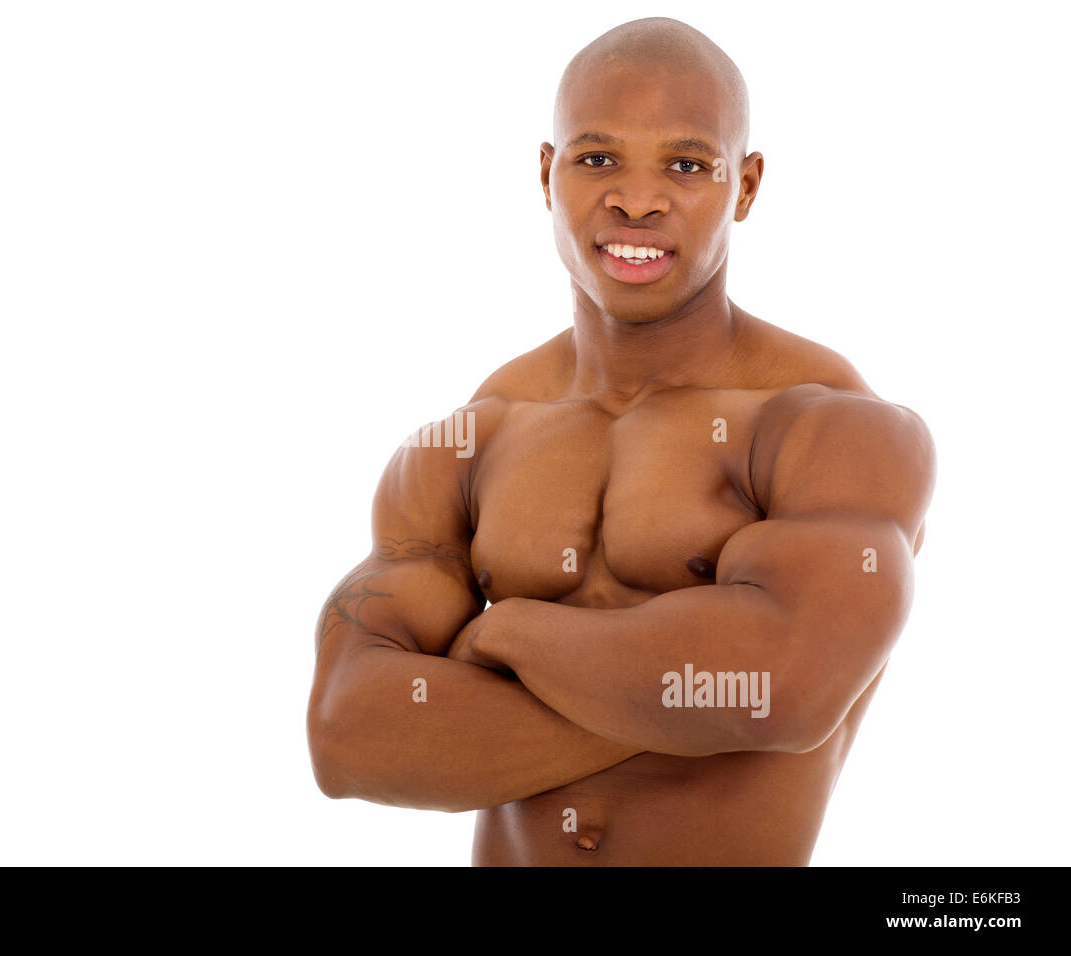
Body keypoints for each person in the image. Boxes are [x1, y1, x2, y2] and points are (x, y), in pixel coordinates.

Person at [306, 16, 935, 865]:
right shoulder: (473, 436)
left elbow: (782, 686)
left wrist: (510, 635)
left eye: (686, 163)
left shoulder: (825, 422)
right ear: (545, 173)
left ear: (745, 187)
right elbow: (351, 735)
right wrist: (678, 701)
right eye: (598, 158)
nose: (638, 199)